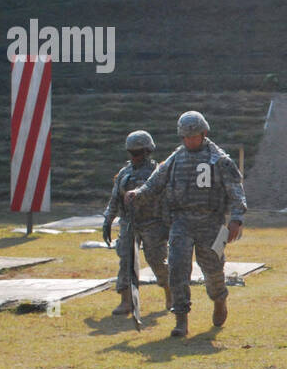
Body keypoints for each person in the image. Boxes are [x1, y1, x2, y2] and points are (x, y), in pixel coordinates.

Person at [125, 110, 246, 337]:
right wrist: (137, 193)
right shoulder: (175, 158)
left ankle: (219, 300)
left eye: (194, 136)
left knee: (213, 270)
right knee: (177, 269)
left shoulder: (220, 159)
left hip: (212, 223)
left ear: (204, 133)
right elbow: (155, 182)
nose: (190, 141)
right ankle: (181, 320)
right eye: (186, 137)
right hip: (181, 222)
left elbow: (236, 192)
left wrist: (236, 219)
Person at [103, 130, 170, 315]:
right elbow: (114, 199)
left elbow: (167, 200)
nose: (135, 157)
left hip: (153, 223)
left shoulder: (158, 173)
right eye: (132, 153)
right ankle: (126, 301)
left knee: (157, 261)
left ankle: (169, 292)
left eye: (138, 152)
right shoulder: (124, 173)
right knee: (126, 261)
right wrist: (108, 220)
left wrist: (168, 226)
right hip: (129, 223)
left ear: (148, 151)